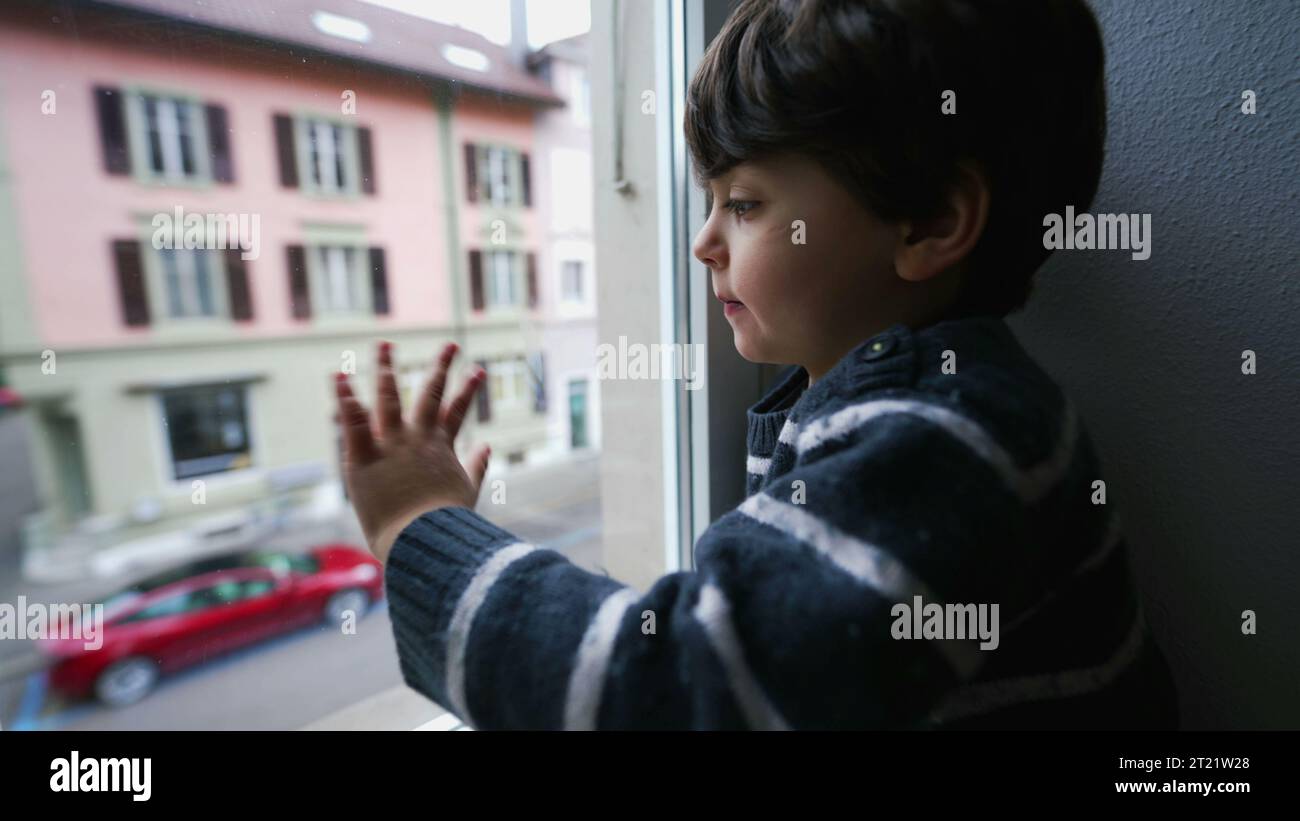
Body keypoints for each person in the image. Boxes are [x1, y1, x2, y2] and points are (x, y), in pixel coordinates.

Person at [333, 0, 1179, 729]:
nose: (704, 242)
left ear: (928, 222)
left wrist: (419, 527)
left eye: (742, 203)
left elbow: (677, 695)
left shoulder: (949, 438)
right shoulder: (897, 406)